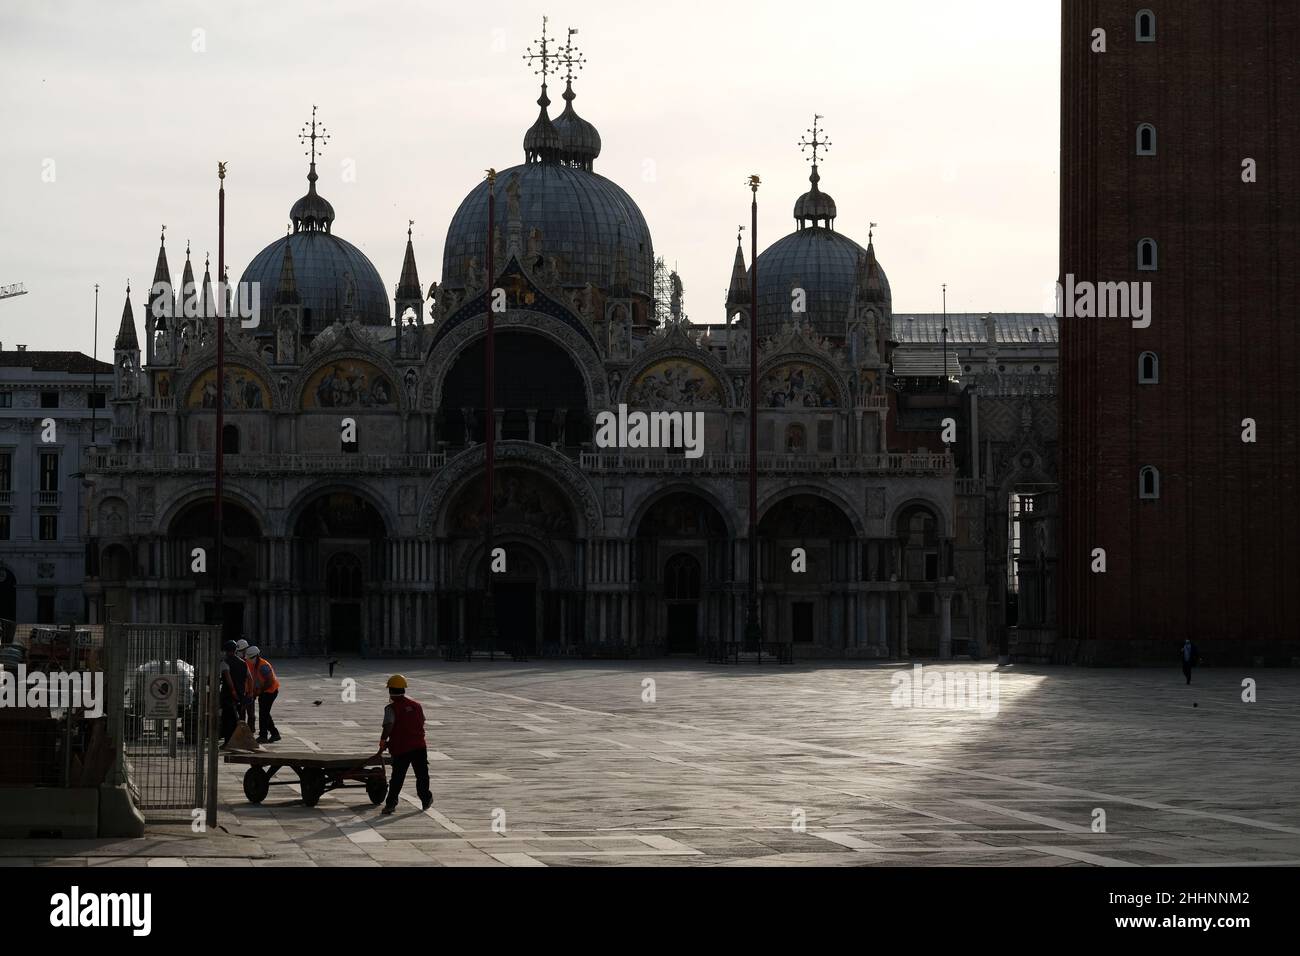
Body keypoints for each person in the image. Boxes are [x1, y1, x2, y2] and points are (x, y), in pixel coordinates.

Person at [378, 674, 432, 815]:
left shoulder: (391, 708)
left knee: (397, 777)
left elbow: (388, 725)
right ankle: (426, 799)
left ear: (390, 690)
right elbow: (422, 721)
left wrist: (383, 740)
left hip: (402, 748)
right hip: (419, 747)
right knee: (422, 775)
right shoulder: (416, 705)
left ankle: (390, 804)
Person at [245, 646, 281, 742]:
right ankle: (275, 733)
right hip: (262, 691)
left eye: (252, 658)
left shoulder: (263, 665)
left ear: (257, 656)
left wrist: (259, 691)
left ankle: (263, 736)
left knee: (263, 713)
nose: (250, 660)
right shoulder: (249, 663)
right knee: (265, 713)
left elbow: (269, 681)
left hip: (270, 691)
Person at [219, 640, 247, 746]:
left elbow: (228, 678)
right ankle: (239, 740)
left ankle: (228, 742)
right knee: (238, 718)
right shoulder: (243, 663)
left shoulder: (224, 663)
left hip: (229, 695)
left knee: (228, 719)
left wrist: (233, 691)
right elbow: (249, 678)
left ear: (226, 651)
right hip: (241, 694)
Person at [234, 639, 255, 734]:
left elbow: (251, 678)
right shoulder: (241, 662)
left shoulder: (247, 661)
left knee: (249, 714)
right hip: (242, 691)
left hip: (247, 691)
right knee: (242, 714)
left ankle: (250, 732)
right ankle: (243, 732)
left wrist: (251, 692)